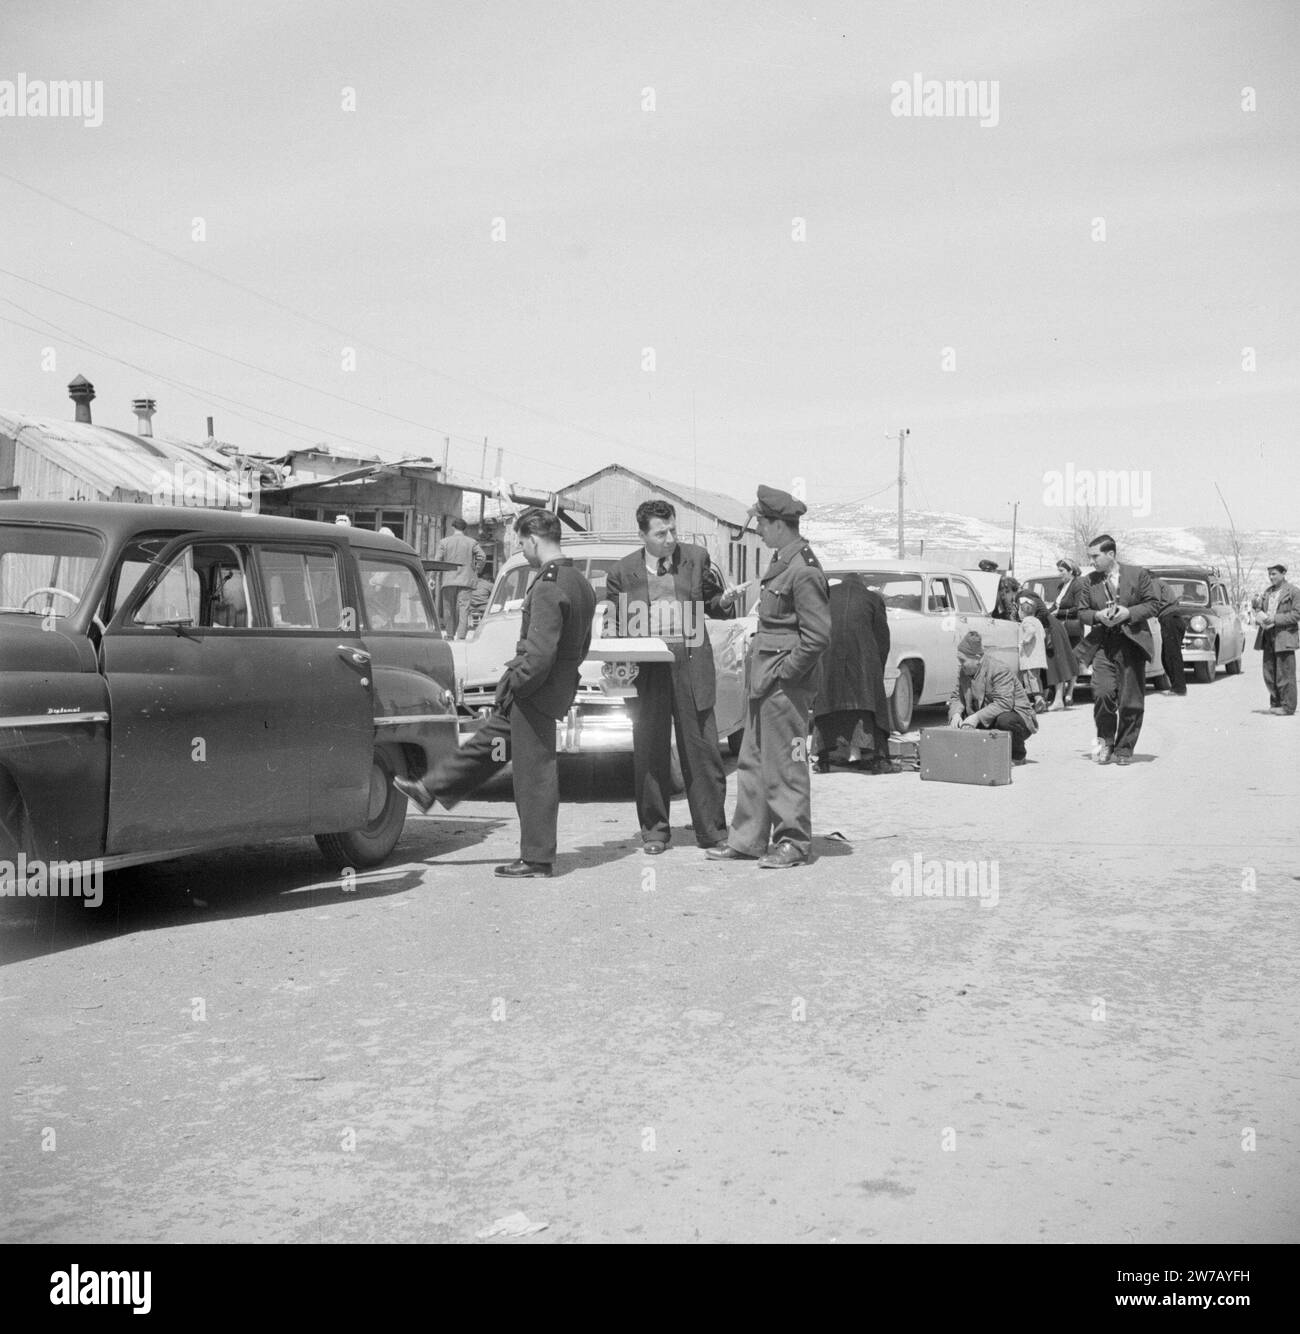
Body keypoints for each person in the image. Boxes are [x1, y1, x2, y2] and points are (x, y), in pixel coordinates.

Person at [394, 508, 596, 877]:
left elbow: (539, 653)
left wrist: (517, 684)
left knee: (534, 776)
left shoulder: (550, 584)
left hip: (535, 691)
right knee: (489, 744)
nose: (522, 549)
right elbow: (581, 646)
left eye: (521, 541)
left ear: (533, 539)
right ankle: (430, 789)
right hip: (548, 688)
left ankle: (537, 858)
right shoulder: (579, 582)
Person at [604, 499, 740, 854]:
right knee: (650, 749)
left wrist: (725, 601)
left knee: (702, 749)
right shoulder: (621, 572)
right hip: (648, 666)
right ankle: (654, 832)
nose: (670, 538)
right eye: (661, 533)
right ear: (643, 535)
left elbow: (713, 604)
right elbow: (615, 623)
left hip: (690, 660)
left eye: (673, 530)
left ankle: (712, 832)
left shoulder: (695, 558)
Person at [707, 485, 830, 869]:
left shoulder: (803, 569)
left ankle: (793, 842)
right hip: (763, 677)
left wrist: (785, 675)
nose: (758, 528)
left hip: (783, 684)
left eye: (761, 521)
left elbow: (817, 637)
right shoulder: (783, 561)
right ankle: (748, 839)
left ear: (779, 524)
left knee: (786, 763)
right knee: (753, 761)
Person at [1074, 534, 1160, 765]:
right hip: (1103, 645)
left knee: (1130, 701)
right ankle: (1105, 742)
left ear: (1110, 554)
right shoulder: (1088, 581)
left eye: (1095, 556)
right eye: (1090, 557)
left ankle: (1124, 749)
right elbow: (1082, 611)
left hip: (1131, 644)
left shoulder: (1137, 574)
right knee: (1102, 694)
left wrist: (1129, 613)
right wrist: (1097, 616)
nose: (1092, 561)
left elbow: (1153, 604)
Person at [812, 574, 893, 774]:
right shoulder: (873, 599)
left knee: (830, 703)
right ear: (862, 585)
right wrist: (876, 671)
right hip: (863, 663)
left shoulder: (827, 597)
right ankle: (870, 756)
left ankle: (828, 756)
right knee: (865, 707)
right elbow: (883, 640)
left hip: (828, 658)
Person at [947, 630, 1037, 764]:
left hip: (1018, 719)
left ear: (978, 657)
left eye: (963, 660)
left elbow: (1004, 703)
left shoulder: (999, 669)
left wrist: (976, 717)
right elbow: (956, 697)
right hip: (988, 716)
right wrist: (955, 714)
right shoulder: (964, 671)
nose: (960, 664)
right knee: (960, 720)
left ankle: (1018, 755)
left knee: (1005, 720)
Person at [1252, 563, 1298, 716]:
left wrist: (1275, 619)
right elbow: (1261, 611)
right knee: (1269, 673)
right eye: (1270, 574)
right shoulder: (1267, 592)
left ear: (1283, 573)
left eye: (1274, 574)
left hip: (1284, 637)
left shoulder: (1293, 592)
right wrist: (1258, 614)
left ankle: (1288, 707)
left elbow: (1297, 614)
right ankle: (1276, 703)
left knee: (1285, 674)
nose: (1271, 577)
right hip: (1268, 637)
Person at [434, 518, 486, 639]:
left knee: (448, 608)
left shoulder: (444, 542)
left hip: (448, 580)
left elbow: (437, 561)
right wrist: (476, 569)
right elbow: (482, 556)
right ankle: (461, 635)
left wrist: (433, 577)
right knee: (464, 608)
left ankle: (450, 634)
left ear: (453, 527)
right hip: (466, 580)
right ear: (465, 529)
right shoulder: (472, 542)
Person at [1016, 594, 1048, 711]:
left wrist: (1024, 641)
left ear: (1022, 612)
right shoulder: (1037, 621)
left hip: (1030, 657)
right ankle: (1038, 699)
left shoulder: (1026, 621)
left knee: (1030, 678)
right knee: (1035, 677)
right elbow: (1043, 635)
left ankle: (1037, 698)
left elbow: (1031, 631)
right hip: (1038, 657)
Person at [1156, 579, 1188, 696]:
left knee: (1172, 655)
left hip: (1170, 619)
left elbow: (1152, 603)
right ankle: (1176, 686)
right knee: (1167, 656)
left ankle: (1179, 688)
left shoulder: (1153, 584)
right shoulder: (1158, 583)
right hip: (1171, 618)